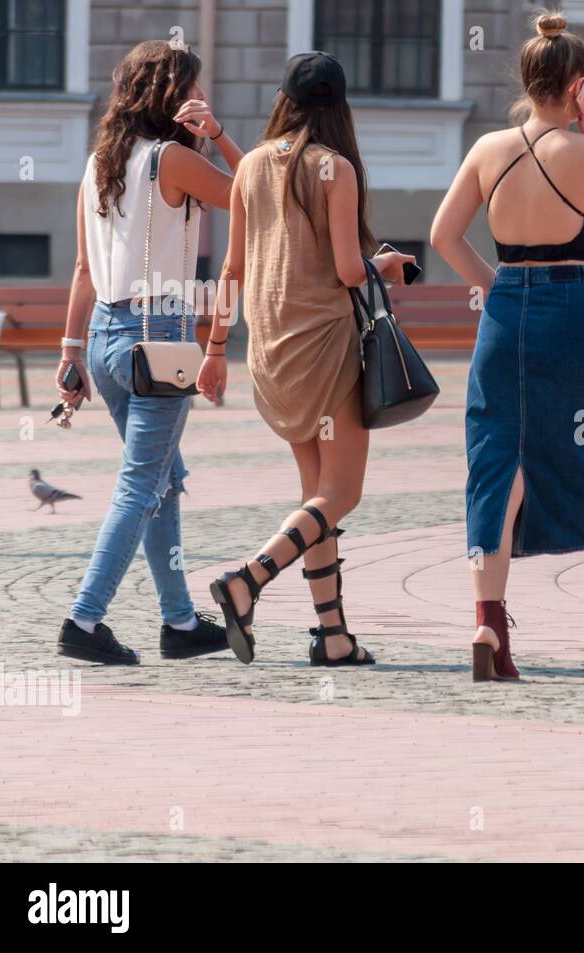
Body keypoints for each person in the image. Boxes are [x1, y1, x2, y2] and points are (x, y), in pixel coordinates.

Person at [430, 11, 584, 682]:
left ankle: (489, 621)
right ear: (577, 86)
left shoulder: (486, 149)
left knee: (496, 462)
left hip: (507, 314)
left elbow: (443, 235)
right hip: (574, 309)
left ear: (528, 80)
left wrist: (499, 289)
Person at [197, 52, 415, 667]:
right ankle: (247, 579)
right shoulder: (334, 168)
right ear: (338, 107)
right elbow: (350, 271)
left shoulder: (251, 170)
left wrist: (215, 350)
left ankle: (333, 637)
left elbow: (232, 270)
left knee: (316, 498)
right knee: (341, 495)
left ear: (282, 100)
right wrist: (390, 266)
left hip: (270, 352)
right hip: (325, 348)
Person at [56, 40, 244, 665]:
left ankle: (180, 622)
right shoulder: (170, 160)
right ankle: (84, 619)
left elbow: (83, 267)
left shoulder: (97, 164)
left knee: (162, 479)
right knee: (141, 486)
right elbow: (256, 194)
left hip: (108, 340)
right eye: (190, 87)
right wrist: (216, 134)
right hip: (158, 334)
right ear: (170, 97)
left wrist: (71, 351)